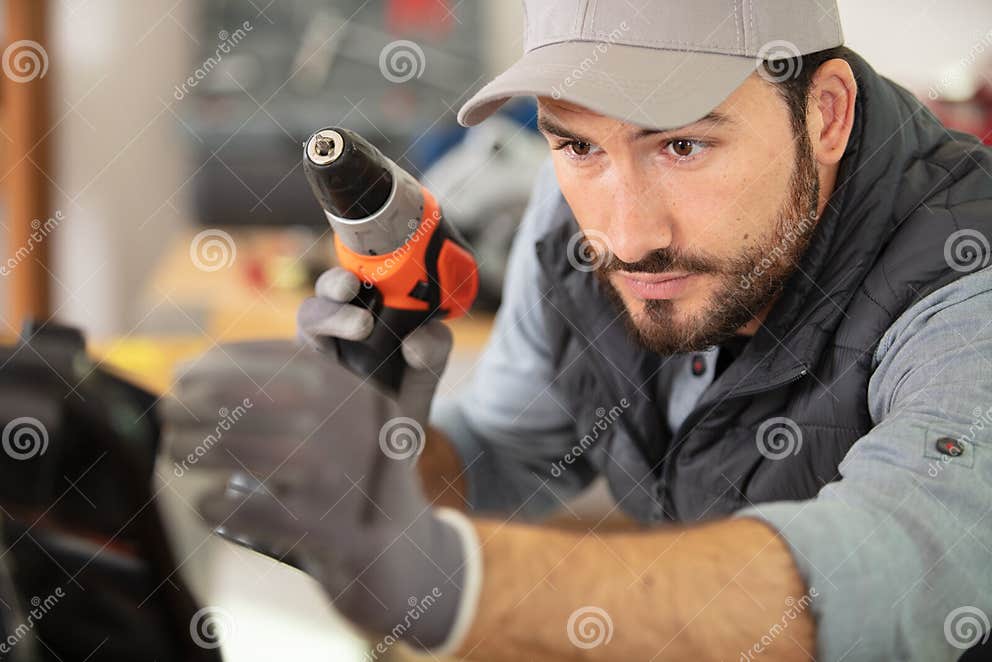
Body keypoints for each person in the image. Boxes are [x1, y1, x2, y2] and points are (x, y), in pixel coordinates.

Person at [164, 1, 992, 659]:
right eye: (579, 145)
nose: (627, 236)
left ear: (827, 115)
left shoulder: (964, 279)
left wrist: (449, 579)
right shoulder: (574, 225)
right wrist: (387, 451)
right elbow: (510, 453)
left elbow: (890, 575)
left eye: (683, 145)